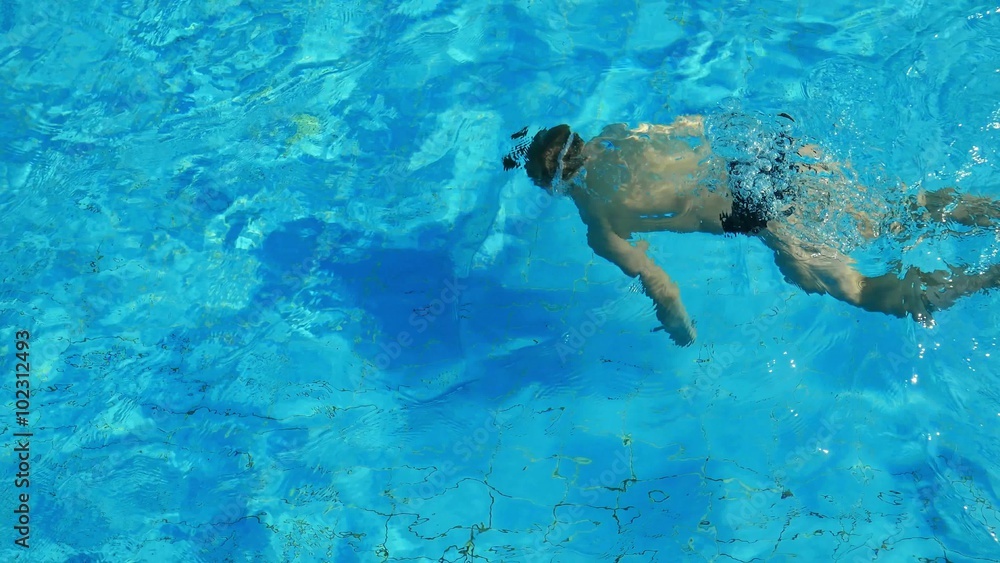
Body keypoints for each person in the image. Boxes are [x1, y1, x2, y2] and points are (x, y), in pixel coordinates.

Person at [504, 114, 1000, 346]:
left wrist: (681, 333)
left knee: (854, 289)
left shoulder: (599, 223)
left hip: (766, 209)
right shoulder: (620, 134)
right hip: (777, 155)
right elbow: (695, 122)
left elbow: (663, 287)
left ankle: (982, 279)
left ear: (556, 187)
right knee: (896, 212)